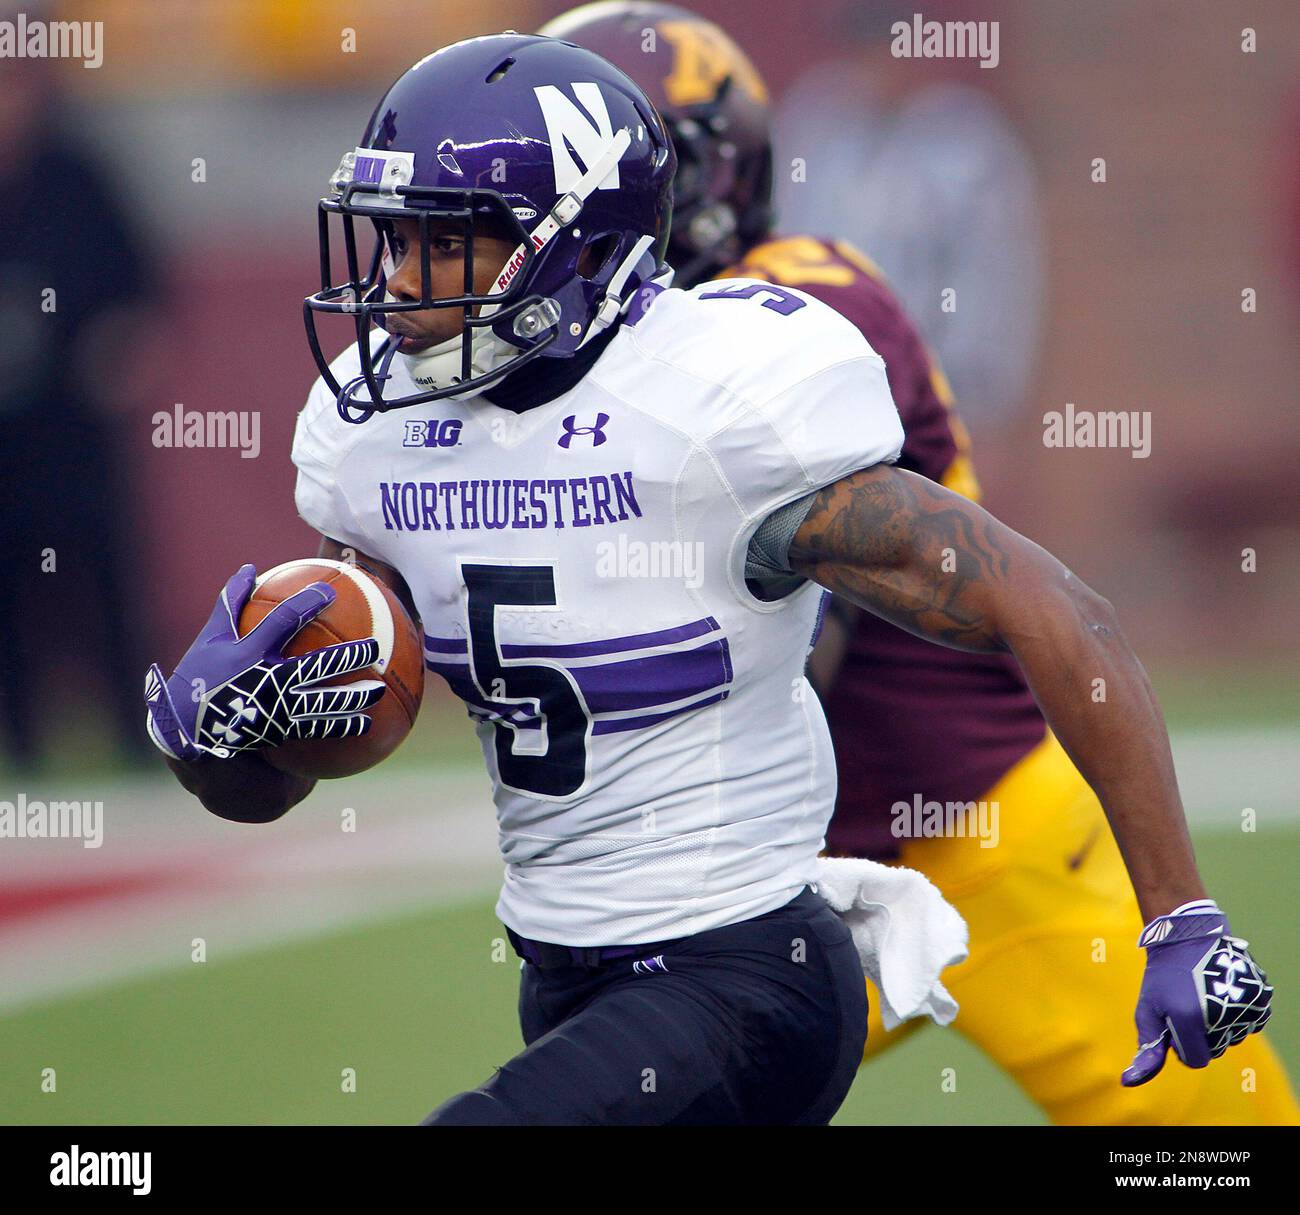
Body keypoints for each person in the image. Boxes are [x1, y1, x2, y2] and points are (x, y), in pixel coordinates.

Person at [145, 31, 1273, 1126]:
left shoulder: (719, 404)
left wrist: (1180, 915)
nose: (398, 283)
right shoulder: (378, 440)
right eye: (392, 240)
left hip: (752, 964)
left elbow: (1055, 608)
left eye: (443, 244)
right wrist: (221, 743)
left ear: (570, 243)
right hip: (565, 965)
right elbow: (286, 774)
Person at [543, 1, 1299, 1125]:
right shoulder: (546, 369)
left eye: (563, 191)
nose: (532, 229)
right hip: (774, 892)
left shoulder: (800, 310)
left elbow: (799, 645)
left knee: (1220, 1142)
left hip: (980, 837)